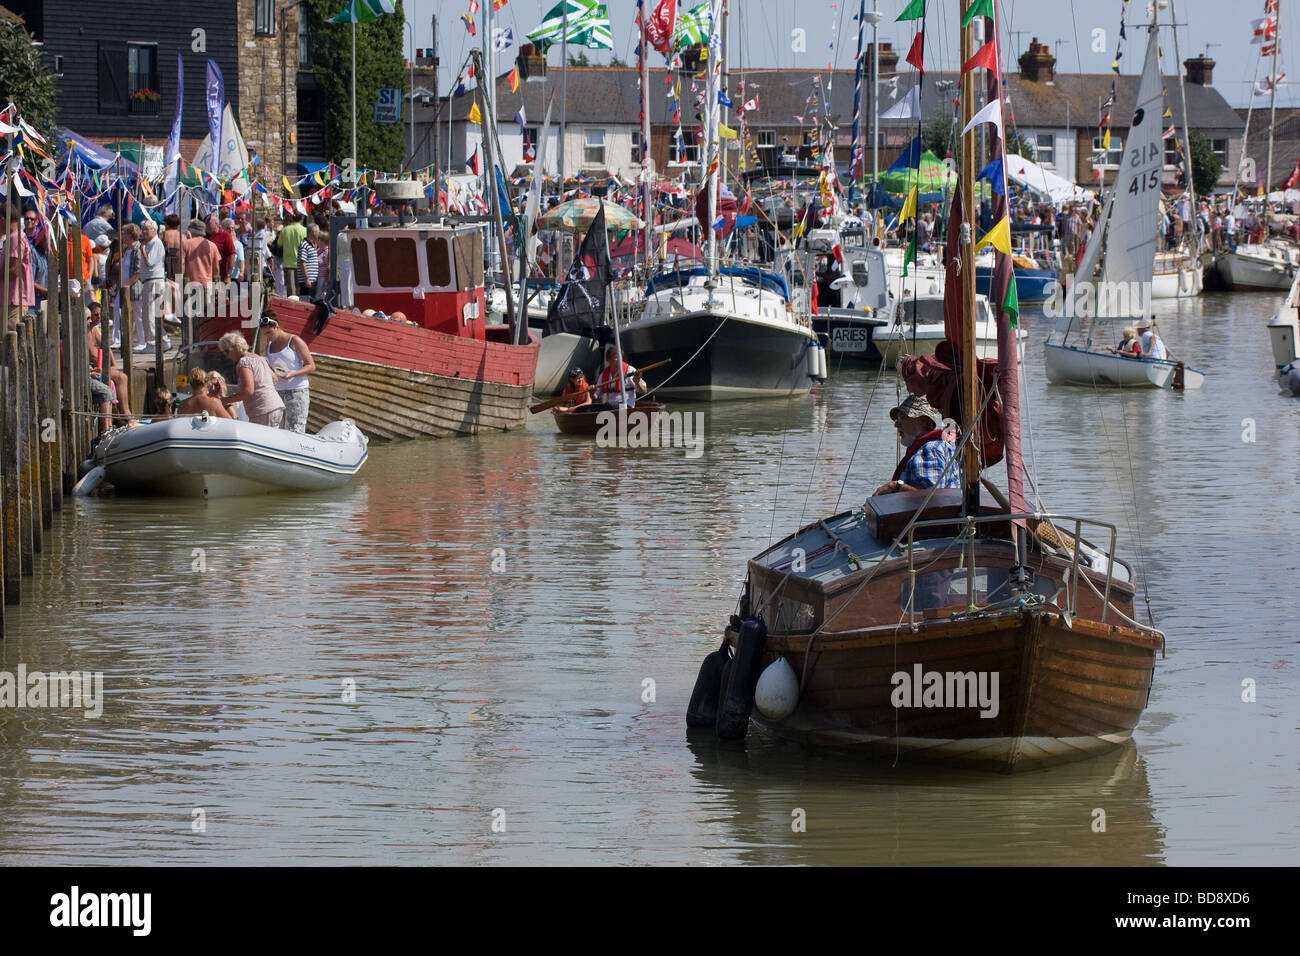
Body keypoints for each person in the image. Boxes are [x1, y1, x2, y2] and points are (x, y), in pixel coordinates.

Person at [872, 394, 960, 496]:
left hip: (930, 512)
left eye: (902, 418)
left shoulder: (930, 449)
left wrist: (895, 486)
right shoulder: (928, 447)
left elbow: (933, 497)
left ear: (924, 422)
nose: (896, 425)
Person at [217, 331, 284, 426]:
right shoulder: (259, 358)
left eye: (226, 351)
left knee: (261, 440)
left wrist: (225, 400)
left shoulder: (244, 362)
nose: (227, 356)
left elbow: (248, 392)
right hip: (275, 406)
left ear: (235, 348)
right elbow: (274, 379)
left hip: (262, 410)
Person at [260, 315, 314, 432]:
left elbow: (311, 366)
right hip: (278, 392)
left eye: (269, 332)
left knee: (295, 430)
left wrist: (292, 374)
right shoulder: (269, 345)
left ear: (277, 327)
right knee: (278, 430)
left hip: (297, 391)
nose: (268, 336)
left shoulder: (294, 341)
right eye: (265, 334)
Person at [86, 302, 133, 427]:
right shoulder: (85, 332)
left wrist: (112, 364)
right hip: (93, 369)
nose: (98, 317)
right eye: (95, 314)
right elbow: (93, 355)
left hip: (100, 367)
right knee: (121, 377)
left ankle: (124, 413)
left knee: (121, 376)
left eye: (100, 314)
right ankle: (126, 414)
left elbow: (106, 346)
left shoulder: (94, 330)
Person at [134, 218, 168, 351]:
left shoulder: (155, 243)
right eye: (142, 229)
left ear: (154, 230)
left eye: (146, 229)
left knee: (149, 314)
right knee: (151, 314)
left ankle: (153, 343)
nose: (143, 231)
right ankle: (163, 340)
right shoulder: (150, 243)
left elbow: (150, 262)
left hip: (154, 281)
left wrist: (142, 250)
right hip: (149, 281)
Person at [589, 344, 646, 412]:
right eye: (616, 357)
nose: (619, 360)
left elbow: (644, 391)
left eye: (620, 357)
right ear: (608, 360)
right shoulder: (603, 375)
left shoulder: (629, 370)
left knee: (609, 405)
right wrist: (592, 393)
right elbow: (595, 396)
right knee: (587, 408)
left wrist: (637, 383)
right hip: (610, 408)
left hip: (626, 407)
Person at [277, 212, 307, 297]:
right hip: (302, 262)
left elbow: (279, 244)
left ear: (292, 219)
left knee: (290, 289)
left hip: (288, 262)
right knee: (299, 288)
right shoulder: (304, 230)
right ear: (301, 219)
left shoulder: (285, 230)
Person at [207, 214, 235, 283]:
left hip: (221, 276)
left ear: (216, 224)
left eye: (209, 223)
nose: (206, 225)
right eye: (206, 223)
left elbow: (232, 255)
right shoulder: (205, 235)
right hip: (207, 275)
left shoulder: (225, 235)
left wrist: (228, 275)